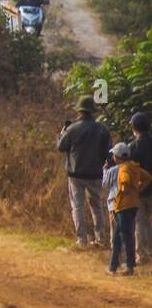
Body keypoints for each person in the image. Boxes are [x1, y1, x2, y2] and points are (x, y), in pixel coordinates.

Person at [58, 96, 112, 248]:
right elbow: (109, 152)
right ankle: (101, 239)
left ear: (80, 111)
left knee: (78, 206)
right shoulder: (102, 129)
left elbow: (61, 147)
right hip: (95, 173)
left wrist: (62, 132)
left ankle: (82, 241)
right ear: (92, 111)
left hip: (76, 174)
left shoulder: (72, 129)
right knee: (96, 205)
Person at [104, 142, 152, 274]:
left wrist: (123, 190)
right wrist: (138, 189)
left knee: (125, 237)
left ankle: (129, 267)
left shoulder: (123, 169)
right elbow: (148, 177)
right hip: (133, 204)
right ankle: (113, 267)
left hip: (123, 206)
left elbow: (124, 180)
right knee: (118, 238)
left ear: (117, 157)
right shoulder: (134, 166)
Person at [128, 111, 152, 263]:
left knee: (140, 222)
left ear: (134, 128)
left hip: (140, 189)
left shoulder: (132, 147)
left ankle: (142, 255)